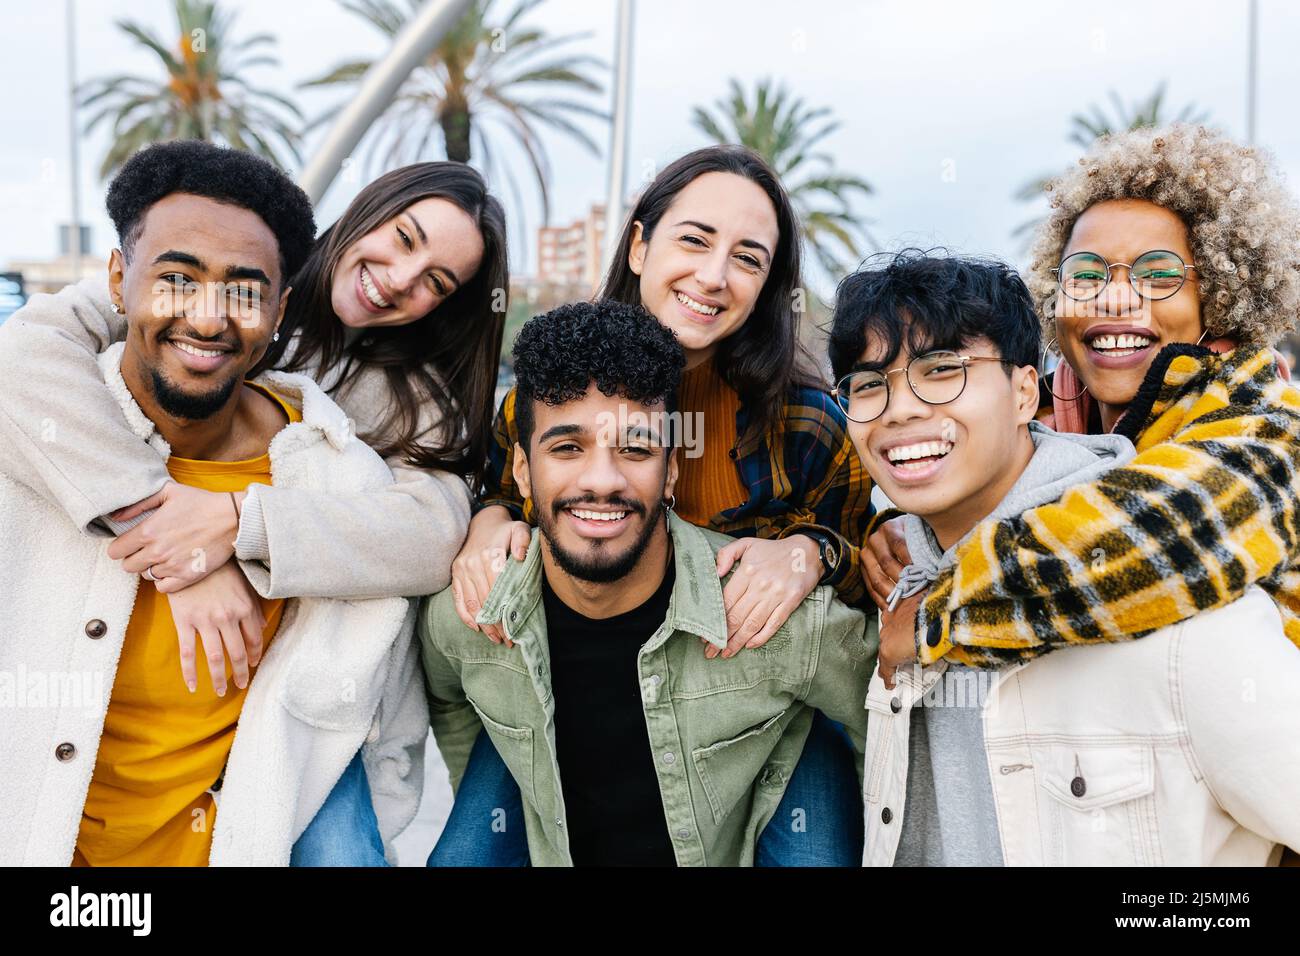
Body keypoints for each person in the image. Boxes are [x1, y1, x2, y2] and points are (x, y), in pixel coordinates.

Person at [0, 144, 510, 864]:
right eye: (402, 240)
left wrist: (238, 523)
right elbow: (22, 357)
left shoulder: (408, 400)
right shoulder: (215, 264)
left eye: (435, 281)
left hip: (285, 693)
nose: (399, 281)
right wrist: (173, 537)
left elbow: (428, 532)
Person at [437, 145, 877, 866]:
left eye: (748, 258)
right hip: (577, 687)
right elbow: (500, 483)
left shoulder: (807, 422)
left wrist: (808, 553)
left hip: (753, 712)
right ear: (640, 244)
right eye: (695, 240)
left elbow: (866, 571)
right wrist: (490, 520)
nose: (713, 276)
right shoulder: (546, 391)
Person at [829, 251, 1300, 866]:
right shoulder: (894, 588)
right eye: (869, 385)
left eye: (942, 369)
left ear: (1026, 390)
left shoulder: (1177, 615)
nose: (900, 409)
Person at [859, 124, 1300, 673]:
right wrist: (907, 530)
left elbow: (1154, 542)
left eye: (1157, 274)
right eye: (1086, 274)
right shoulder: (1050, 409)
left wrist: (936, 615)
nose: (1115, 299)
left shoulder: (1267, 427)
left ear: (1220, 294)